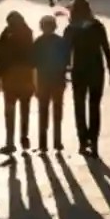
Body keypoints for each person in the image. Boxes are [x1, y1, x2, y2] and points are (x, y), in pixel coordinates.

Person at [63, 0, 110, 157]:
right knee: (94, 107)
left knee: (79, 107)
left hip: (79, 71)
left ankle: (82, 141)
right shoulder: (97, 26)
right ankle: (94, 141)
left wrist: (62, 71)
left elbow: (64, 52)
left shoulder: (71, 29)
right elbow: (106, 48)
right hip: (96, 70)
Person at [0, 10, 36, 153]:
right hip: (25, 76)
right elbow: (32, 57)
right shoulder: (28, 33)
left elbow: (1, 56)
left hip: (11, 77)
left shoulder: (6, 34)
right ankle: (24, 137)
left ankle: (10, 141)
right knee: (24, 109)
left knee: (10, 110)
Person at [32, 14, 69, 152]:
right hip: (58, 80)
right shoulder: (61, 42)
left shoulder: (38, 42)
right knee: (57, 112)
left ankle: (43, 143)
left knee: (43, 112)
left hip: (43, 80)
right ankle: (57, 141)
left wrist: (34, 84)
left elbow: (33, 64)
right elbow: (66, 60)